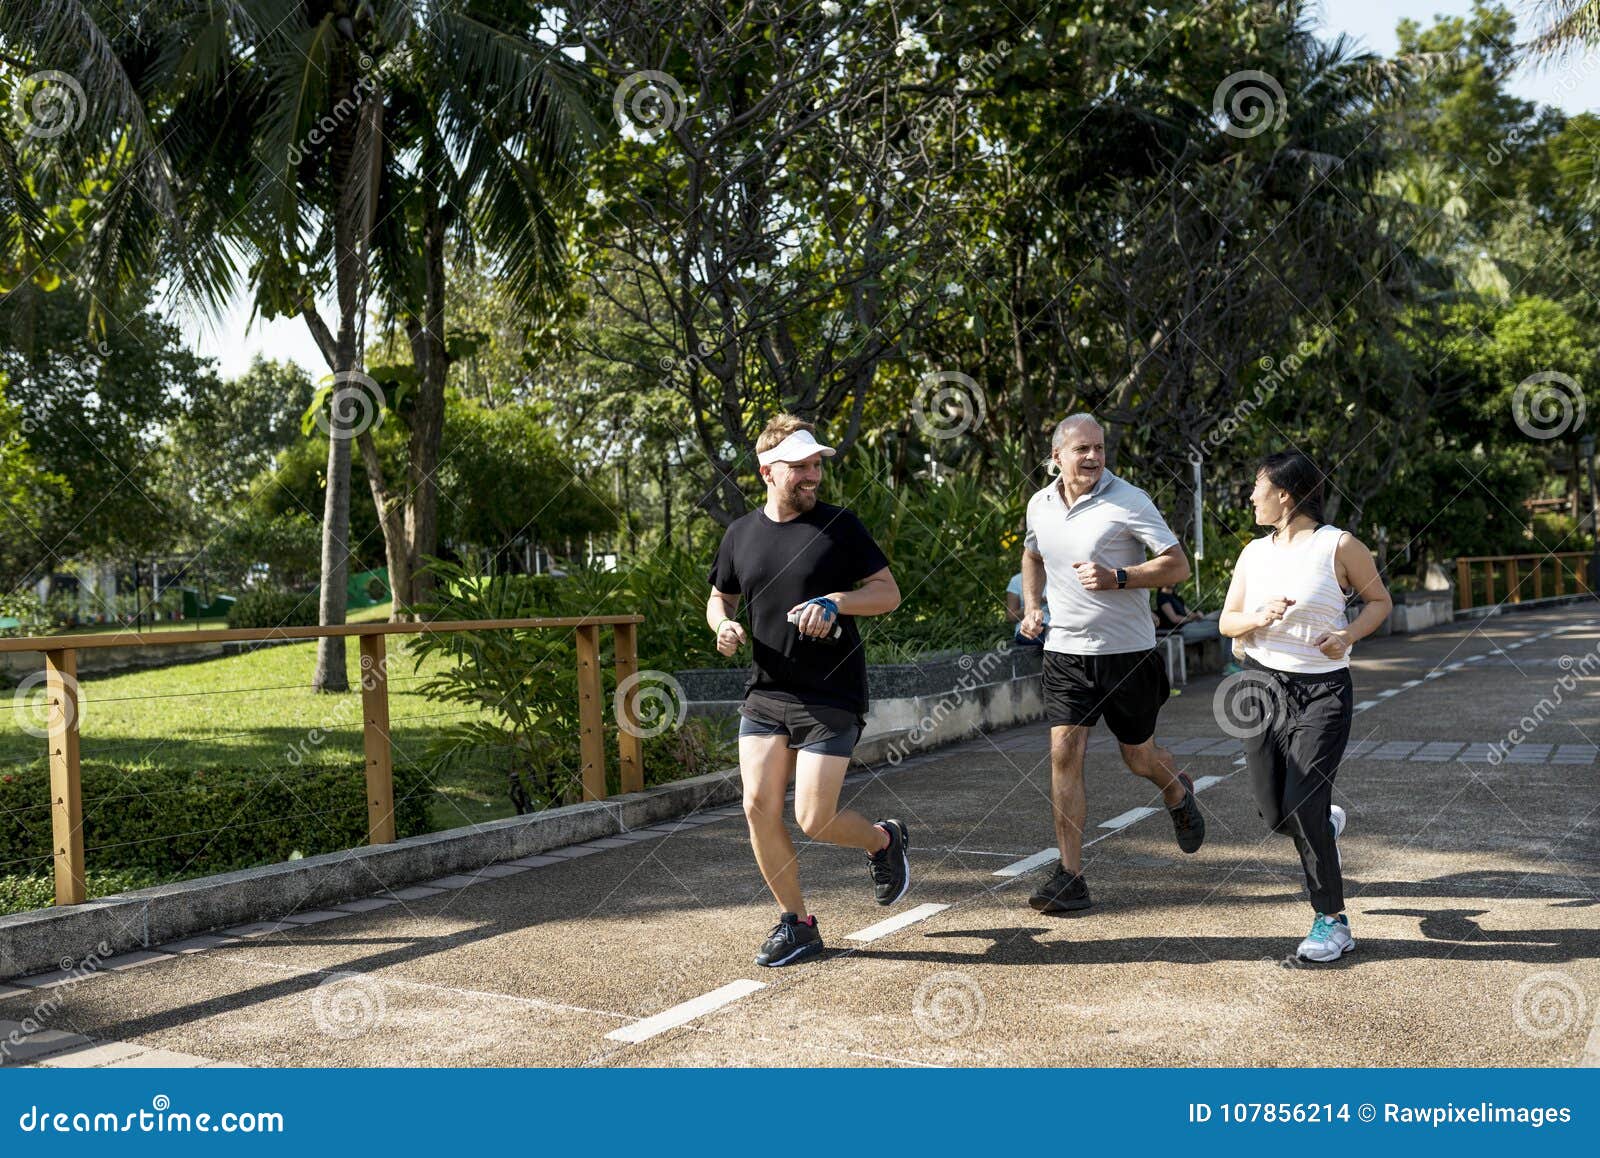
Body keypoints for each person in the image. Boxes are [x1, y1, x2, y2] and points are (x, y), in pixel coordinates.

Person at [706, 414, 908, 967]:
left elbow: (888, 594)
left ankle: (883, 842)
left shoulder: (841, 527)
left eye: (817, 465)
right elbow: (719, 596)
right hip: (767, 692)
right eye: (801, 466)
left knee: (814, 819)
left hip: (831, 693)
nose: (813, 475)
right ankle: (797, 923)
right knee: (756, 806)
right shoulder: (740, 534)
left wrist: (836, 602)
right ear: (768, 471)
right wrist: (721, 626)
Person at [1017, 413, 1206, 914]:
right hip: (1066, 654)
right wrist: (1034, 606)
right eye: (1082, 449)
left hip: (1128, 655)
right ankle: (1070, 875)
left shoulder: (1129, 500)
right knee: (1064, 753)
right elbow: (1033, 556)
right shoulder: (1040, 504)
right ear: (1056, 455)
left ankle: (1176, 792)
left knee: (1137, 757)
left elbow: (1177, 564)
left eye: (1099, 448)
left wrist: (1118, 576)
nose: (1094, 457)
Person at [1218, 451, 1391, 963]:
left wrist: (1347, 634)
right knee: (1275, 812)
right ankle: (1324, 822)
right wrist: (1255, 616)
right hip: (1262, 689)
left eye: (1258, 487)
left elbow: (1378, 601)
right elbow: (1226, 623)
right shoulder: (1253, 553)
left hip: (1322, 693)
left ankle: (1332, 920)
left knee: (1302, 801)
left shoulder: (1338, 545)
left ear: (1285, 495)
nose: (1251, 496)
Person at [1006, 571, 1049, 647]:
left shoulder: (1056, 576)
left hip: (1055, 626)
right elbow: (1011, 617)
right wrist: (1038, 602)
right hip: (1028, 628)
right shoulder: (1016, 580)